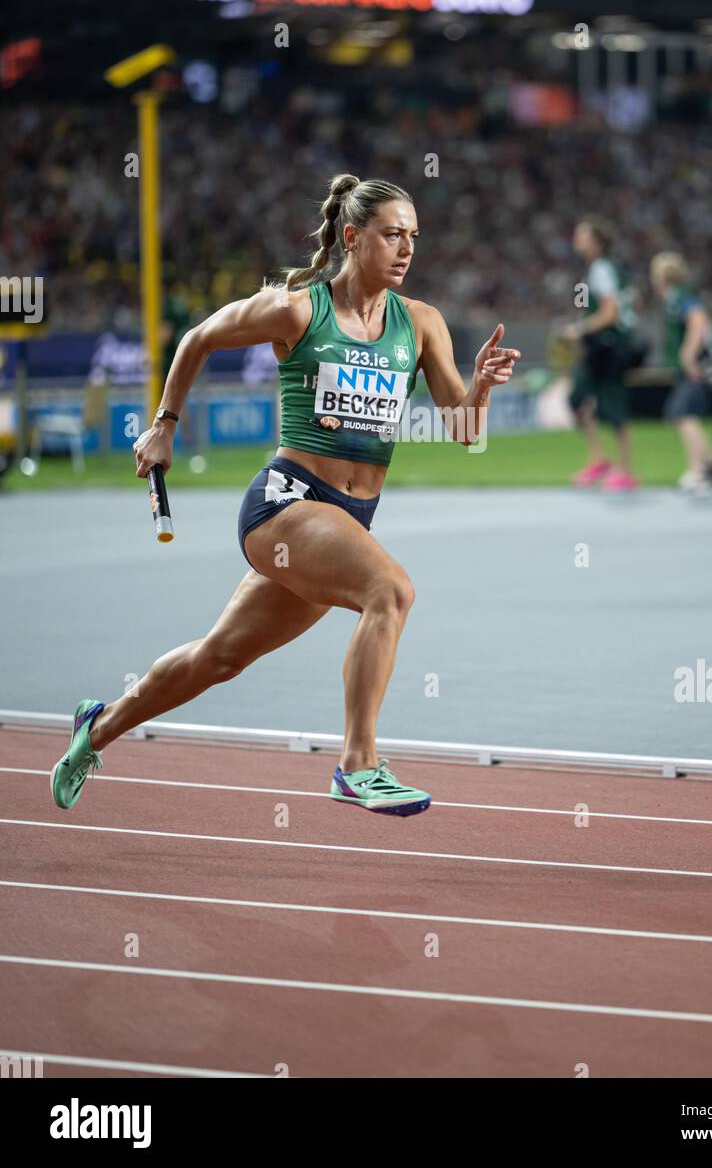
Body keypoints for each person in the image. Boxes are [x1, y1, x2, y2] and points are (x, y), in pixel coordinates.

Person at [49, 175, 520, 818]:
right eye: (392, 235)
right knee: (391, 591)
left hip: (346, 518)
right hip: (285, 505)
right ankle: (359, 764)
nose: (407, 248)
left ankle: (95, 727)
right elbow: (199, 338)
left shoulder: (422, 324)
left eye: (413, 237)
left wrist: (482, 387)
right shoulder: (298, 308)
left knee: (218, 658)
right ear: (353, 238)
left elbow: (465, 432)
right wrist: (163, 426)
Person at [567, 215, 643, 491]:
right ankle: (600, 459)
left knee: (613, 404)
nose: (576, 240)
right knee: (578, 398)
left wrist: (580, 329)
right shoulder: (609, 268)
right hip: (606, 344)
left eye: (582, 235)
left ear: (596, 241)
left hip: (610, 345)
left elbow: (610, 312)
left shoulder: (601, 268)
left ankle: (626, 470)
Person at [650, 251, 712, 495]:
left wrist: (688, 354)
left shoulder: (679, 297)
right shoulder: (675, 298)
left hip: (696, 365)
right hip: (693, 366)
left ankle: (699, 471)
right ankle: (710, 464)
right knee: (681, 415)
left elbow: (699, 320)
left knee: (683, 415)